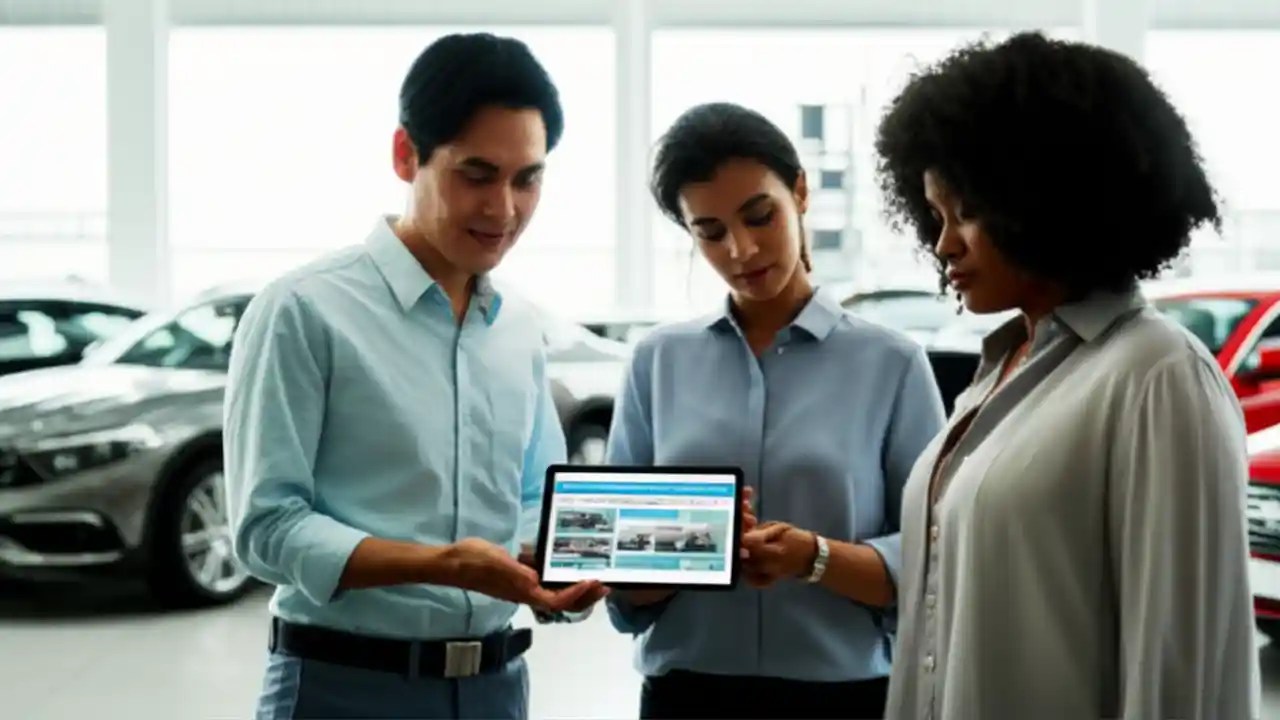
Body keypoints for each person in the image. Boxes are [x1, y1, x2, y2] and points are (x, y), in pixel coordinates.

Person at [873, 32, 1261, 720]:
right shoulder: (996, 371)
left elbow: (1182, 670)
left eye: (966, 213)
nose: (943, 244)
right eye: (935, 216)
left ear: (1046, 199)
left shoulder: (1156, 376)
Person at [223, 32, 607, 720]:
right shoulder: (304, 310)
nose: (505, 209)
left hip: (497, 688)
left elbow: (531, 500)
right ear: (406, 155)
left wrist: (558, 568)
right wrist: (436, 565)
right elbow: (265, 528)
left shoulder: (520, 327)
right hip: (341, 688)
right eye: (477, 174)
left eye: (528, 179)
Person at [604, 101, 948, 720]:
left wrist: (813, 558)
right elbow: (619, 576)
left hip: (844, 699)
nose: (740, 249)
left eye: (759, 216)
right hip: (687, 694)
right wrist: (692, 545)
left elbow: (935, 557)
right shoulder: (657, 360)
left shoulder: (892, 364)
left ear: (800, 192)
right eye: (709, 232)